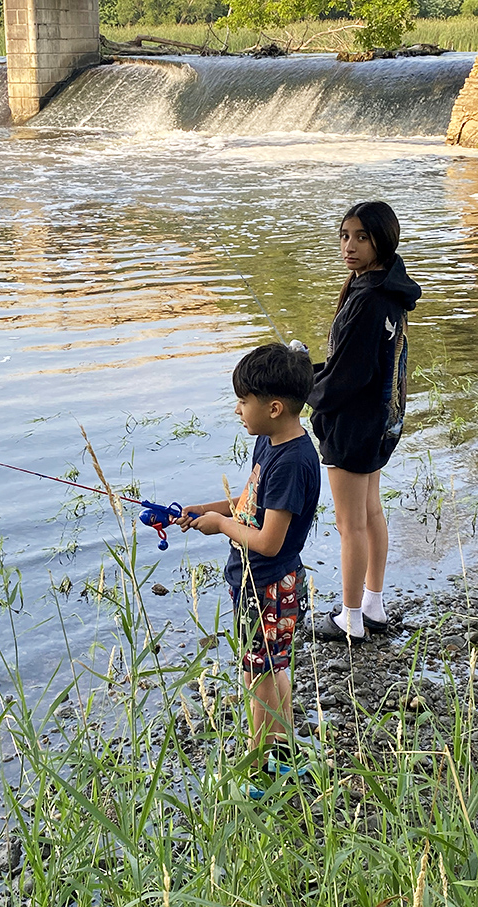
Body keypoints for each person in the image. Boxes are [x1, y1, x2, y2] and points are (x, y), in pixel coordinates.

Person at [177, 343, 320, 796]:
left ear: (274, 407)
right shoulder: (271, 440)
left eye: (243, 402)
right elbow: (249, 507)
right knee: (270, 666)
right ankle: (283, 754)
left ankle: (260, 769)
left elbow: (268, 539)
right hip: (257, 581)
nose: (238, 410)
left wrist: (220, 526)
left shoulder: (294, 461)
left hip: (269, 583)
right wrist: (207, 508)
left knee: (257, 674)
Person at [308, 201, 421, 642]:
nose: (350, 246)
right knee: (371, 511)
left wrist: (305, 389)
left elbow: (347, 377)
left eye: (361, 237)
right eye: (345, 236)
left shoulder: (369, 298)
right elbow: (358, 365)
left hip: (354, 425)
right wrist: (316, 372)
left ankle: (351, 618)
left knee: (349, 523)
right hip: (379, 419)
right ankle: (373, 603)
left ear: (382, 241)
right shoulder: (386, 288)